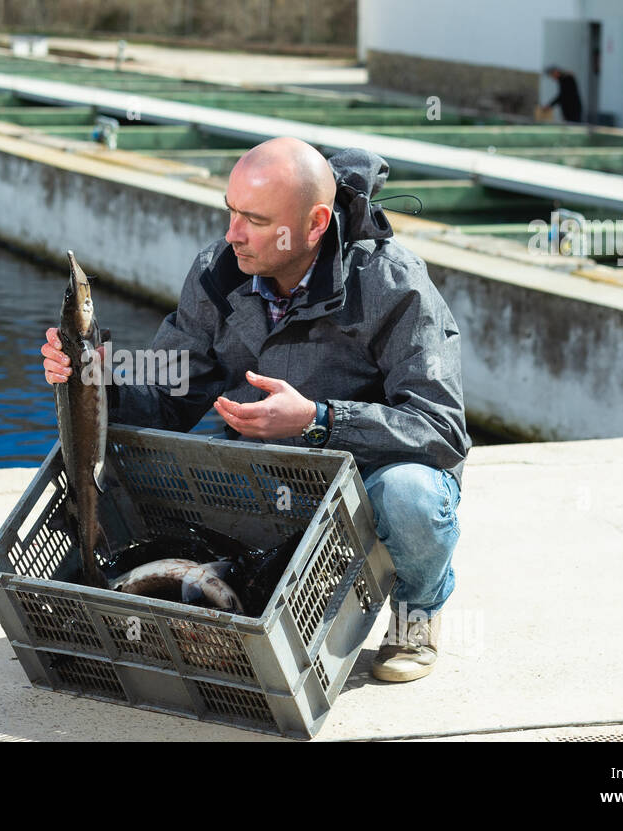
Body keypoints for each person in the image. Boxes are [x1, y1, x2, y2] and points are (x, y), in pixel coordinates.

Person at [41, 137, 470, 683]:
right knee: (129, 461)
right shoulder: (219, 274)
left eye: (255, 220)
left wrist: (319, 420)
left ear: (315, 224)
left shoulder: (392, 284)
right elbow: (170, 396)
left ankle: (415, 615)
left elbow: (441, 429)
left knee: (414, 496)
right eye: (231, 210)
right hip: (260, 471)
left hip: (366, 481)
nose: (232, 234)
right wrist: (93, 384)